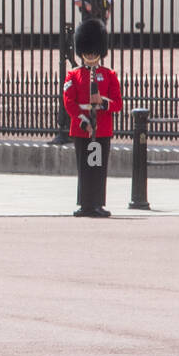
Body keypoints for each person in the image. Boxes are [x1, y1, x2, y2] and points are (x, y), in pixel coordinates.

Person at [63, 18, 123, 218]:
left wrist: (103, 103)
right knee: (84, 167)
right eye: (87, 52)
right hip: (82, 127)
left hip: (102, 127)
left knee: (97, 166)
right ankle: (85, 203)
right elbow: (69, 101)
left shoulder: (109, 75)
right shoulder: (74, 75)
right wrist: (82, 120)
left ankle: (97, 202)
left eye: (93, 51)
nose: (90, 55)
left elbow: (118, 103)